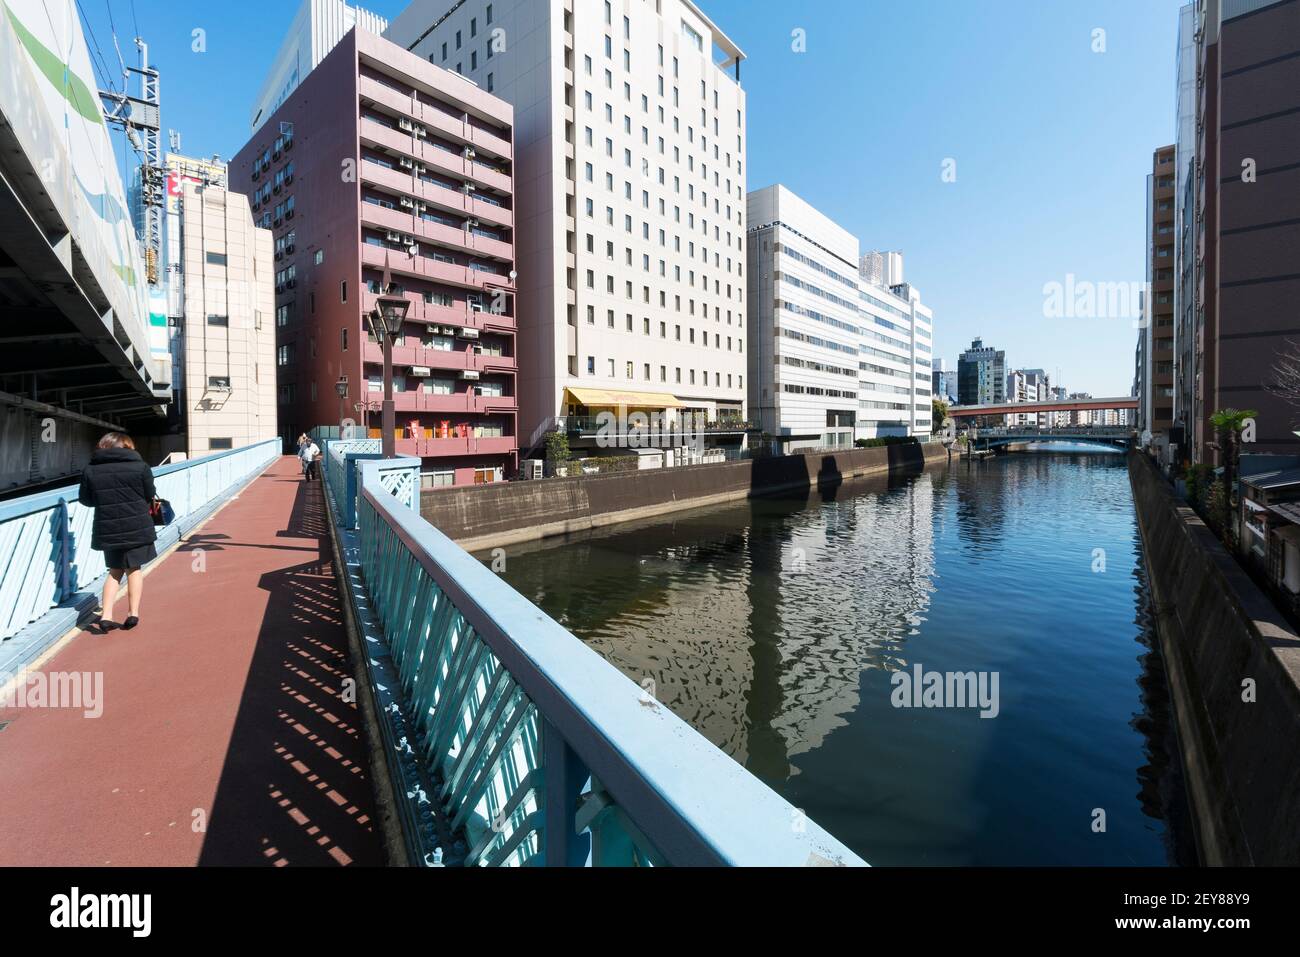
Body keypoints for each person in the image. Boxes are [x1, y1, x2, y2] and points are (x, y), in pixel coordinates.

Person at [78, 432, 158, 631]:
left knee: (114, 571)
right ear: (128, 447)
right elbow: (149, 494)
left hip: (108, 527)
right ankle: (133, 613)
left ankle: (106, 615)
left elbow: (86, 500)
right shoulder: (140, 467)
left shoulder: (90, 470)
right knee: (134, 569)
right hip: (137, 525)